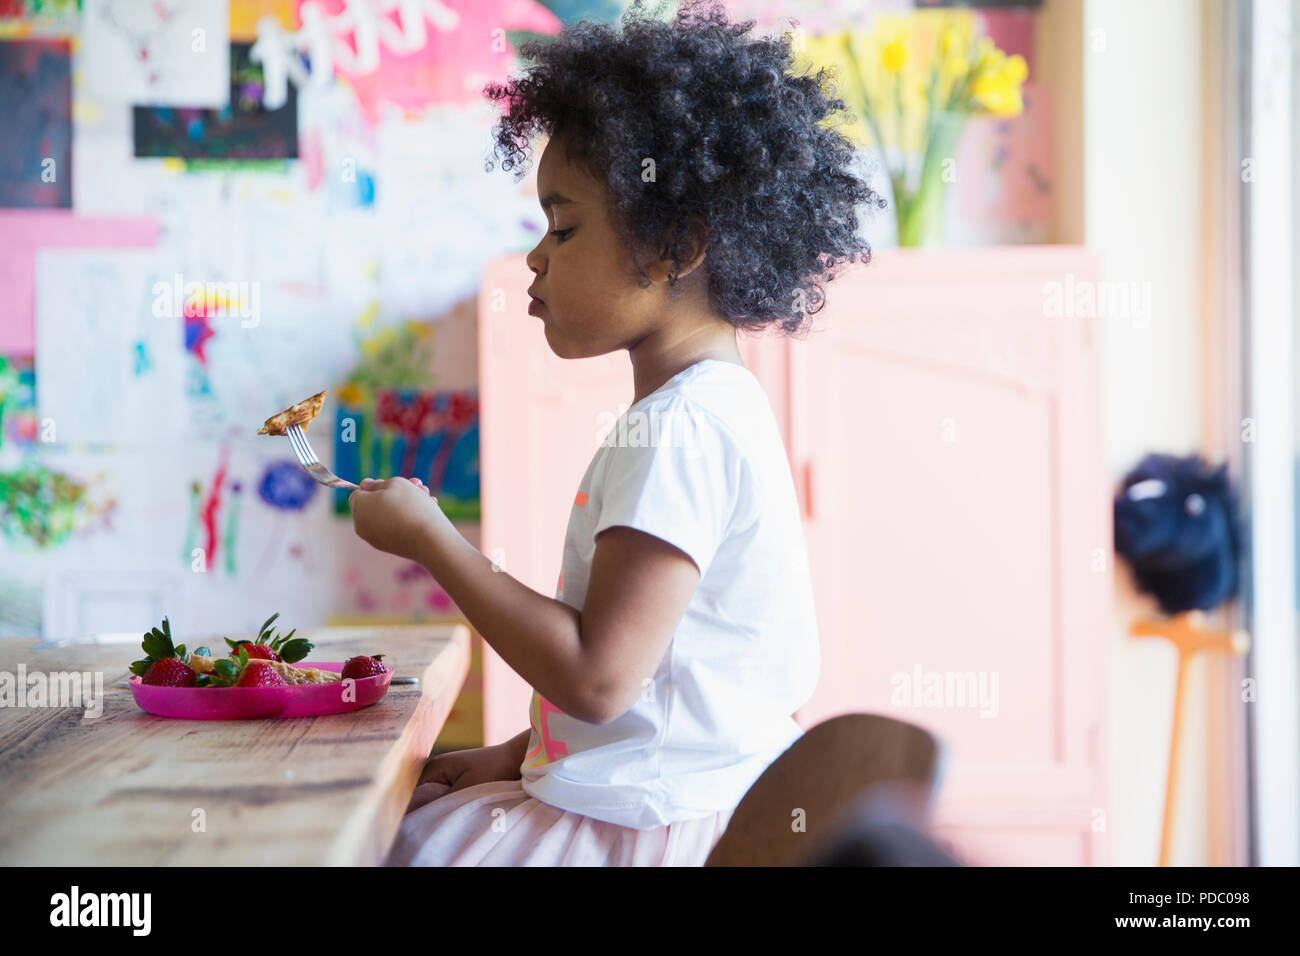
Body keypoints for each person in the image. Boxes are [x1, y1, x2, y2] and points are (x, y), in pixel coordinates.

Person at [349, 0, 881, 866]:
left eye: (563, 226)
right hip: (669, 802)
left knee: (383, 849)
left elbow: (599, 679)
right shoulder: (714, 409)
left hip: (651, 836)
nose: (536, 257)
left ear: (674, 245)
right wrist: (525, 756)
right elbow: (673, 697)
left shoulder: (680, 431)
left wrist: (432, 541)